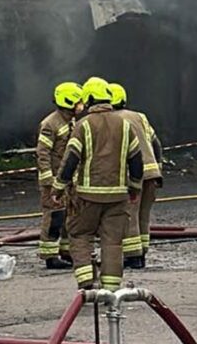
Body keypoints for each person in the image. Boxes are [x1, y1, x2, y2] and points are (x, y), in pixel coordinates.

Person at [53, 76, 143, 292]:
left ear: (90, 98)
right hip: (118, 196)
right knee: (113, 242)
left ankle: (87, 285)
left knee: (80, 236)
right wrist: (135, 187)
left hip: (87, 196)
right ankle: (111, 290)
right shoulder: (125, 124)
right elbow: (136, 160)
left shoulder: (83, 125)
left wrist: (58, 187)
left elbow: (71, 159)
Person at [109, 82, 163, 270]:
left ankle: (133, 257)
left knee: (129, 215)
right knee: (144, 215)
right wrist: (158, 168)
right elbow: (156, 144)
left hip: (134, 174)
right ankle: (142, 252)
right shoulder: (140, 116)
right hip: (152, 173)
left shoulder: (112, 120)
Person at [36, 82, 82, 269]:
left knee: (69, 216)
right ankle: (50, 256)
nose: (81, 105)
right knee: (54, 217)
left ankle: (66, 251)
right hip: (54, 179)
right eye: (78, 101)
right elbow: (42, 152)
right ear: (68, 101)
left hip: (67, 179)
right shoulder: (50, 124)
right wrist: (48, 180)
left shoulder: (69, 121)